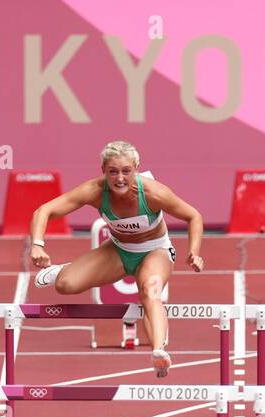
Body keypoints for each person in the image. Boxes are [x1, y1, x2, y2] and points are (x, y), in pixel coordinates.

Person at [28, 141, 204, 377]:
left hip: (155, 251)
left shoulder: (152, 192)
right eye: (113, 172)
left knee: (150, 290)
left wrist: (194, 251)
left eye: (126, 171)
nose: (120, 178)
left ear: (137, 169)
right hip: (119, 250)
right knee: (65, 285)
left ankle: (158, 351)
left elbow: (193, 216)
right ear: (103, 170)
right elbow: (44, 211)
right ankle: (67, 270)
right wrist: (37, 245)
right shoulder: (95, 191)